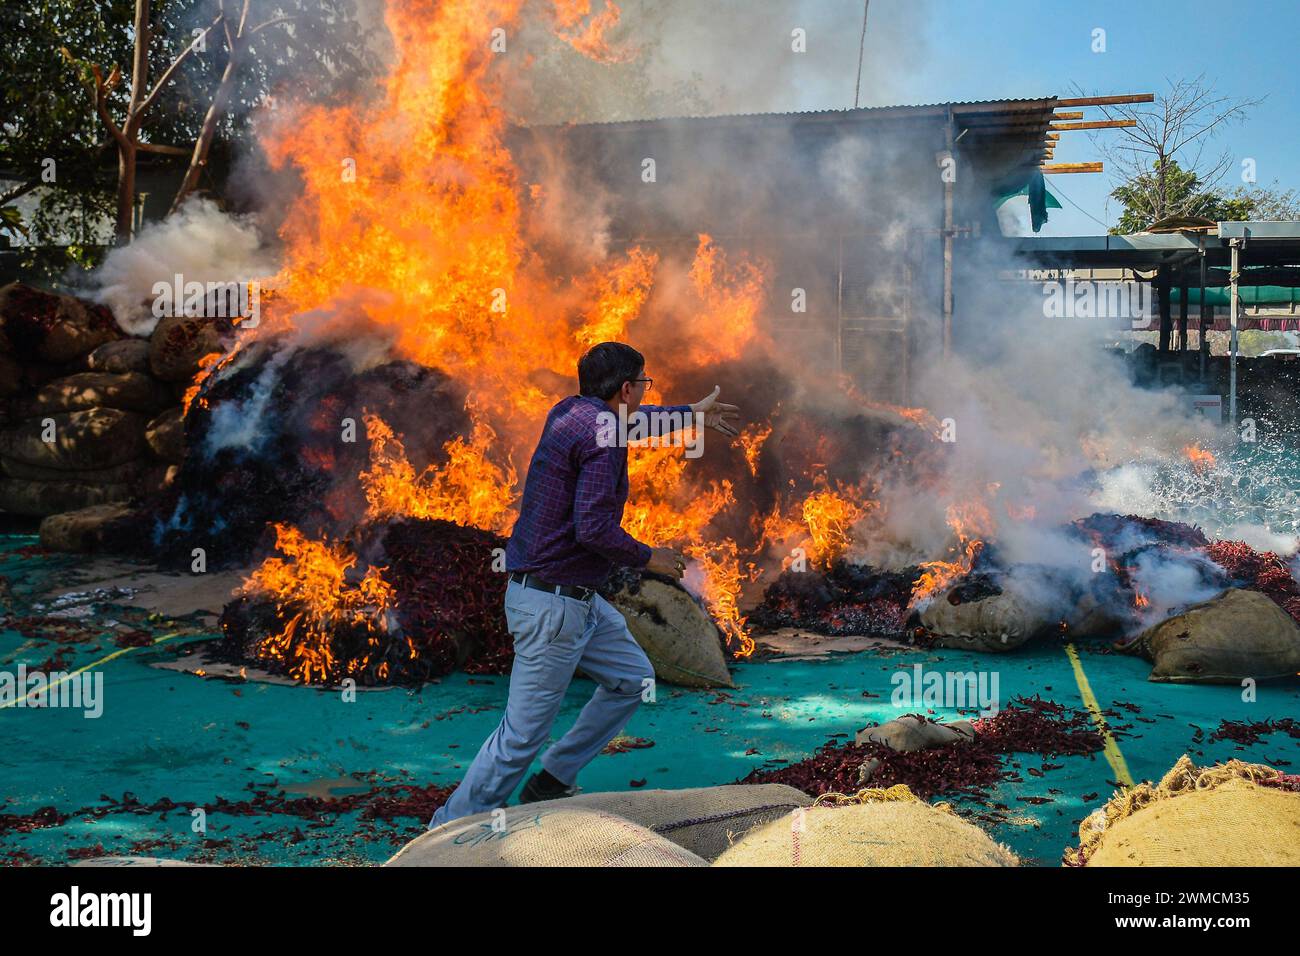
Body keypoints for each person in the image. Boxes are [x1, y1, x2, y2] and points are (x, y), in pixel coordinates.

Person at [428, 342, 740, 828]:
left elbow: (635, 424)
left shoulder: (574, 412)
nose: (644, 393)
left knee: (632, 679)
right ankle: (448, 830)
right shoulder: (604, 435)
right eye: (643, 384)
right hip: (553, 606)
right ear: (625, 388)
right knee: (521, 736)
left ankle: (552, 779)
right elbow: (592, 528)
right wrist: (650, 558)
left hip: (576, 600)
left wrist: (691, 414)